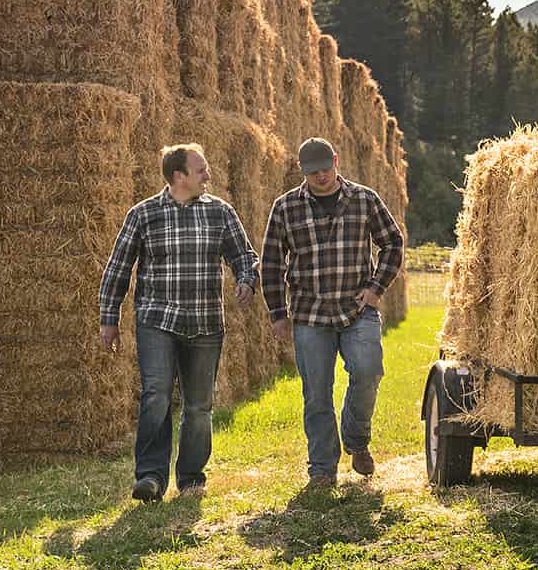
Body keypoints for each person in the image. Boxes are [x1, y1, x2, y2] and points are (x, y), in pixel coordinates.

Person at [99, 143, 259, 502]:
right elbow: (118, 269)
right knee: (156, 395)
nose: (208, 174)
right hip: (158, 320)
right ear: (178, 176)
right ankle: (151, 477)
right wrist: (108, 320)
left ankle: (190, 478)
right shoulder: (143, 215)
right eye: (201, 169)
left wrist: (247, 280)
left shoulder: (221, 213)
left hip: (205, 322)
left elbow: (244, 255)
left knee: (199, 406)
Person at [260, 137, 405, 490]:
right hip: (310, 314)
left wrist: (376, 288)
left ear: (336, 162)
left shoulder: (364, 199)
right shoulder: (285, 207)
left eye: (325, 169)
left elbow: (392, 243)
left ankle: (356, 441)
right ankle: (322, 469)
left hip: (357, 309)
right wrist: (278, 313)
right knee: (316, 393)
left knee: (369, 370)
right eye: (312, 172)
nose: (321, 176)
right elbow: (272, 262)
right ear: (302, 172)